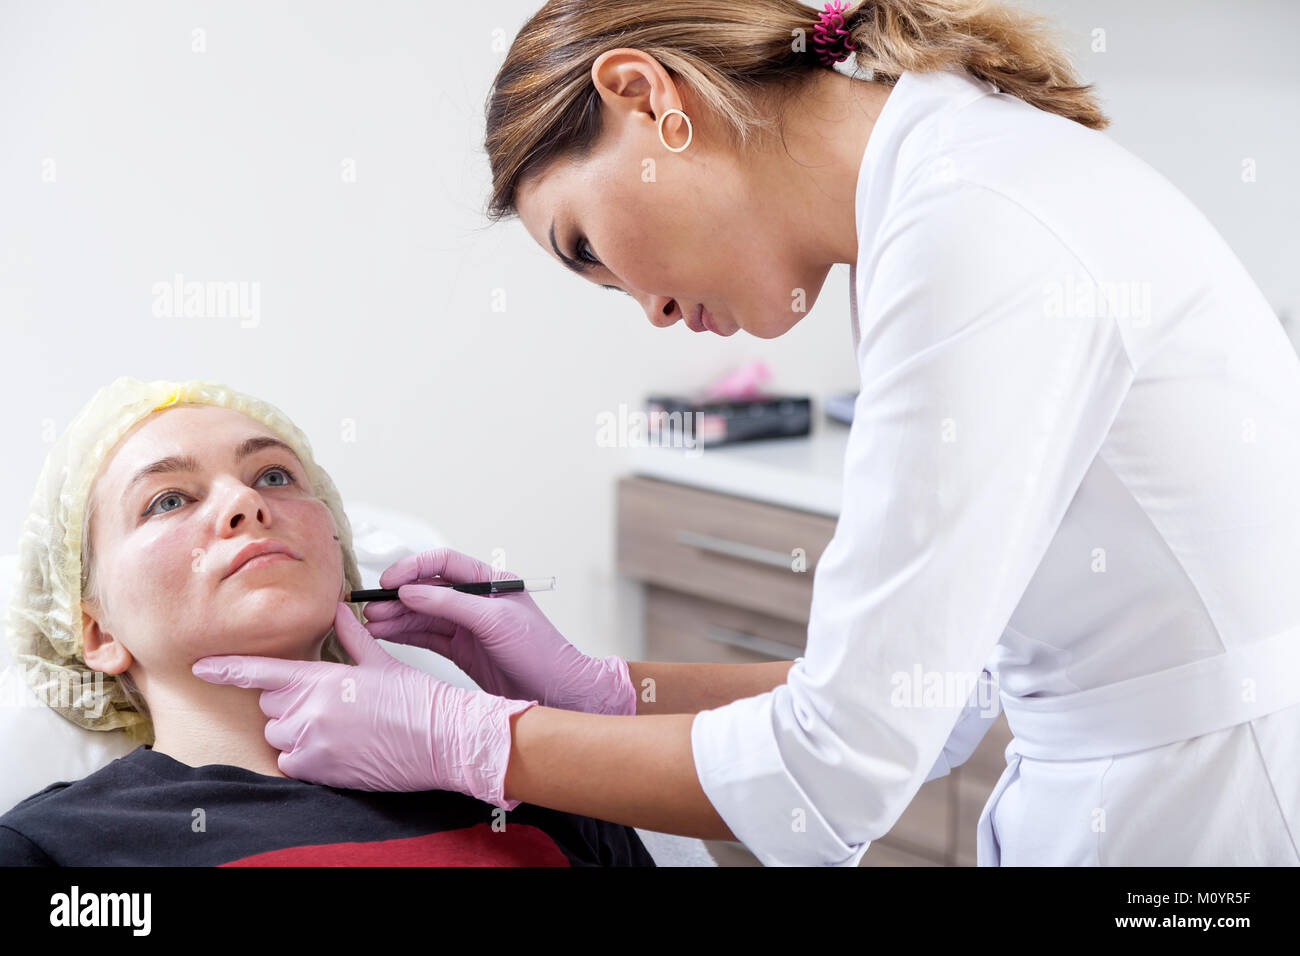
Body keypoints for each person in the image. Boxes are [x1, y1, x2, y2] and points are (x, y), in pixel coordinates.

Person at [197, 0, 1300, 866]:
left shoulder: (971, 225)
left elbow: (839, 763)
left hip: (1220, 813)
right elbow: (942, 694)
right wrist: (601, 688)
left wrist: (468, 739)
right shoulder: (938, 202)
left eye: (584, 244)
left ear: (647, 96)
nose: (651, 311)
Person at [0, 377, 654, 866]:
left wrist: (576, 708)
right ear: (97, 634)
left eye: (276, 475)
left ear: (341, 562)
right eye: (167, 500)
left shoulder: (531, 783)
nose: (246, 502)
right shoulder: (55, 848)